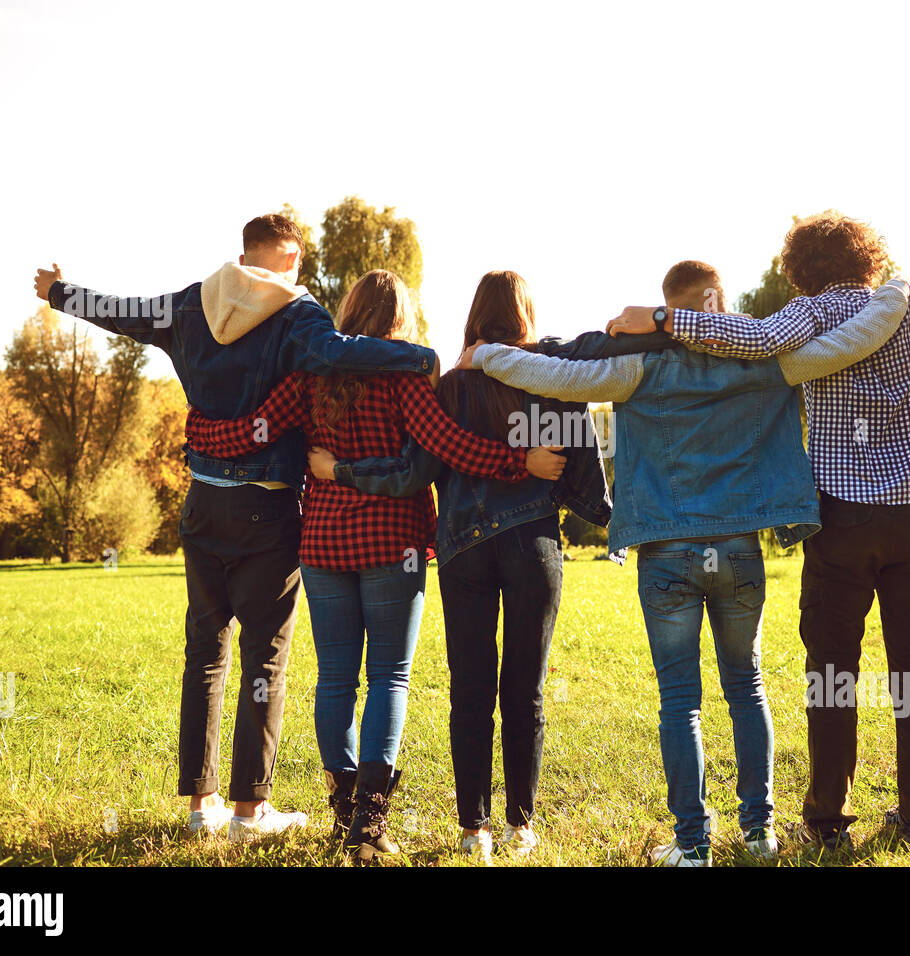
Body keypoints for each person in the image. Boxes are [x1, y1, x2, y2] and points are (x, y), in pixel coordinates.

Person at [608, 180, 910, 849]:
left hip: (841, 519)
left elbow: (748, 339)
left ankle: (827, 823)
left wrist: (666, 321)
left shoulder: (810, 311)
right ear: (868, 256)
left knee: (834, 671)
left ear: (801, 267)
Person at [458, 261, 910, 865]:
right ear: (716, 302)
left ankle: (692, 844)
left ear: (666, 308)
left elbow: (551, 374)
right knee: (747, 689)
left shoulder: (637, 371)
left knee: (681, 700)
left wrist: (484, 355)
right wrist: (898, 292)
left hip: (667, 551)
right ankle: (759, 834)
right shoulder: (767, 364)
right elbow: (852, 341)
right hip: (737, 549)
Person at [32, 214, 439, 842]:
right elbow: (337, 354)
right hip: (266, 504)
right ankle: (251, 810)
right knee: (264, 658)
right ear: (293, 256)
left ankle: (202, 805)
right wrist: (417, 356)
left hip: (202, 503)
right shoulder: (297, 312)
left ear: (245, 251)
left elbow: (124, 312)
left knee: (204, 654)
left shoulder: (194, 304)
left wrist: (61, 294)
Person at [184, 270, 565, 862]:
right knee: (389, 675)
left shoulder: (308, 377)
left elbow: (255, 428)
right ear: (399, 320)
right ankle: (371, 812)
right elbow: (448, 447)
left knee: (336, 676)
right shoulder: (405, 377)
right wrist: (520, 463)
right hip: (393, 543)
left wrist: (201, 432)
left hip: (324, 546)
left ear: (349, 312)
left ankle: (343, 802)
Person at [311, 271, 616, 863]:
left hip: (462, 552)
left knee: (469, 688)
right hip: (532, 546)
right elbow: (579, 452)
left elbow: (423, 465)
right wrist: (593, 507)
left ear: (473, 317)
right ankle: (521, 825)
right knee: (524, 689)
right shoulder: (549, 382)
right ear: (524, 313)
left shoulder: (445, 387)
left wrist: (340, 471)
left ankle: (471, 826)